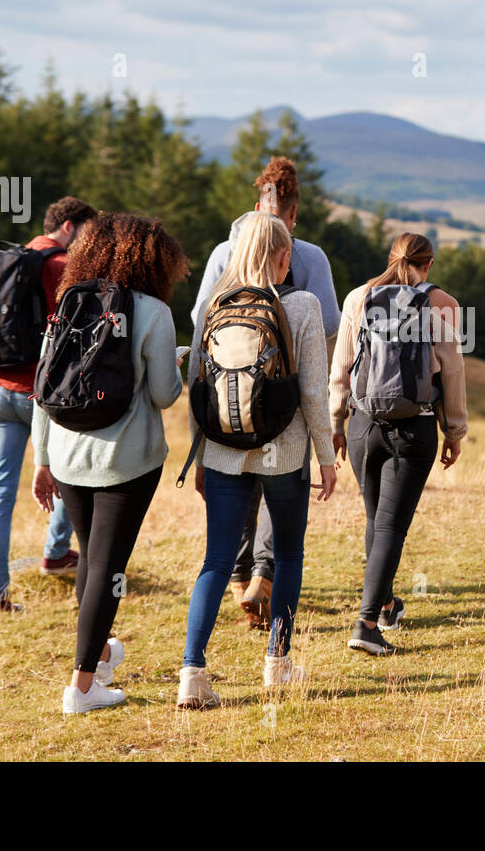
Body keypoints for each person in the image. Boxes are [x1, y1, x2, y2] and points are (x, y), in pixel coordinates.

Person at [30, 213, 190, 715]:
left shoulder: (69, 303)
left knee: (92, 560)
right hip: (126, 462)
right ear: (154, 260)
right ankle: (80, 688)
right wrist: (179, 365)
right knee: (106, 566)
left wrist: (42, 460)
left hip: (67, 455)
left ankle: (98, 657)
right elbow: (164, 395)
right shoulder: (153, 312)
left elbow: (43, 390)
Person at [178, 211, 337, 708]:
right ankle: (277, 664)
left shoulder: (212, 306)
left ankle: (191, 674)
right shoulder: (305, 305)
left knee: (217, 560)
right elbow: (313, 392)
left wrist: (199, 455)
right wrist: (327, 457)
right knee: (288, 554)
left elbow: (197, 390)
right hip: (284, 453)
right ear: (284, 257)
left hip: (224, 450)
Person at [190, 156, 340, 628]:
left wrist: (197, 446)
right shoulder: (310, 257)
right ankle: (266, 581)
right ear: (293, 213)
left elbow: (199, 338)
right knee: (282, 502)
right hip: (284, 416)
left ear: (255, 207)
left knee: (232, 506)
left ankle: (233, 590)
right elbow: (330, 328)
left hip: (224, 416)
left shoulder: (221, 255)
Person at [329, 233, 468, 655]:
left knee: (376, 519)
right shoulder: (442, 305)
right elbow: (452, 372)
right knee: (390, 525)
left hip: (363, 425)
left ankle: (386, 605)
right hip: (414, 426)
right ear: (428, 265)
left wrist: (336, 423)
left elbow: (341, 369)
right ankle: (367, 623)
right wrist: (455, 431)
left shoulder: (358, 297)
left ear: (390, 258)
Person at [0, 196, 96, 615]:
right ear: (69, 226)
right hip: (38, 394)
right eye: (87, 231)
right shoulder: (60, 266)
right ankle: (56, 552)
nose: (89, 242)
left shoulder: (11, 259)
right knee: (70, 473)